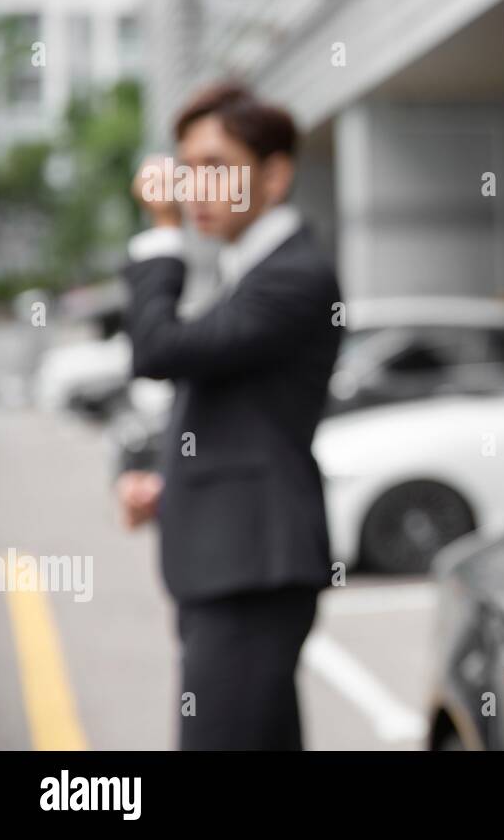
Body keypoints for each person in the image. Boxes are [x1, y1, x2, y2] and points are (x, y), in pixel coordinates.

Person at [120, 83, 343, 749]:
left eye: (215, 166)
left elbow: (160, 349)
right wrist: (170, 485)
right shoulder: (255, 270)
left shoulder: (294, 273)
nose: (193, 188)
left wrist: (162, 238)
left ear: (275, 175)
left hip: (252, 569)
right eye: (185, 168)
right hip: (238, 562)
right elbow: (241, 412)